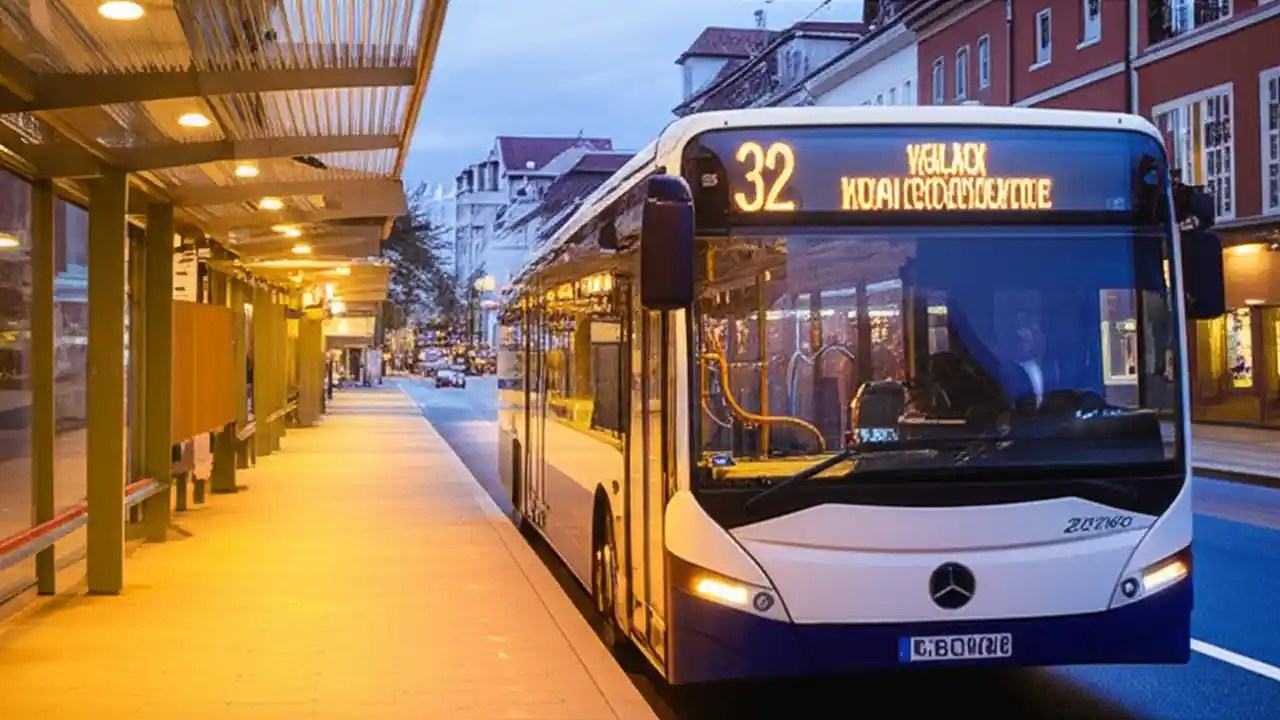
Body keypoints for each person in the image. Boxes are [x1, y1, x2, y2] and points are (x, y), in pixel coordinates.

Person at [999, 311, 1059, 412]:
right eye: (1018, 340)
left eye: (1026, 339)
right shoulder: (1007, 370)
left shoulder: (1049, 367)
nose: (1023, 344)